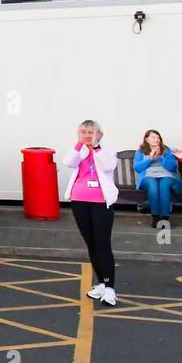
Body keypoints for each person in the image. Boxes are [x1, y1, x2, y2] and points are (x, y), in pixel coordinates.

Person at [63, 120, 119, 306]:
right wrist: (80, 144)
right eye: (84, 132)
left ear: (98, 134)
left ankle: (109, 287)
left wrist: (95, 146)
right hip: (80, 201)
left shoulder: (106, 150)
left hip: (100, 202)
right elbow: (68, 162)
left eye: (91, 132)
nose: (87, 135)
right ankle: (101, 284)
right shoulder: (79, 150)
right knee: (91, 243)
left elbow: (109, 166)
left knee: (103, 243)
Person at [132, 129, 179, 227]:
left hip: (166, 175)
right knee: (152, 185)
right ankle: (155, 217)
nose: (156, 139)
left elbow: (172, 167)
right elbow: (137, 168)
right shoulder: (140, 152)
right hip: (148, 176)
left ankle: (165, 218)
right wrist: (149, 159)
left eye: (158, 137)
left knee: (164, 185)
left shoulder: (166, 150)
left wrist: (159, 158)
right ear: (147, 139)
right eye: (153, 137)